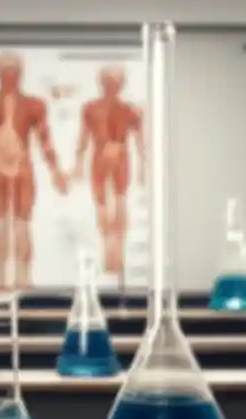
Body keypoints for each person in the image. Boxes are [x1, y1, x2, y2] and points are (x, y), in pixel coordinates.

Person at [0, 52, 69, 290]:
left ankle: (23, 278)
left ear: (20, 74)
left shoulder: (34, 105)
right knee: (0, 223)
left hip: (22, 170)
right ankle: (0, 280)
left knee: (21, 224)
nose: (9, 76)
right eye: (5, 71)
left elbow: (45, 141)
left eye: (13, 71)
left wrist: (56, 172)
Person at [72, 66, 144, 275]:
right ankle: (108, 256)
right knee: (103, 205)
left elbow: (140, 143)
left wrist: (142, 168)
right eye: (109, 82)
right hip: (101, 157)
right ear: (102, 83)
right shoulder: (91, 108)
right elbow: (83, 138)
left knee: (119, 201)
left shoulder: (130, 110)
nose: (113, 86)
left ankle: (117, 256)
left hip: (119, 158)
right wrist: (78, 164)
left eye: (116, 82)